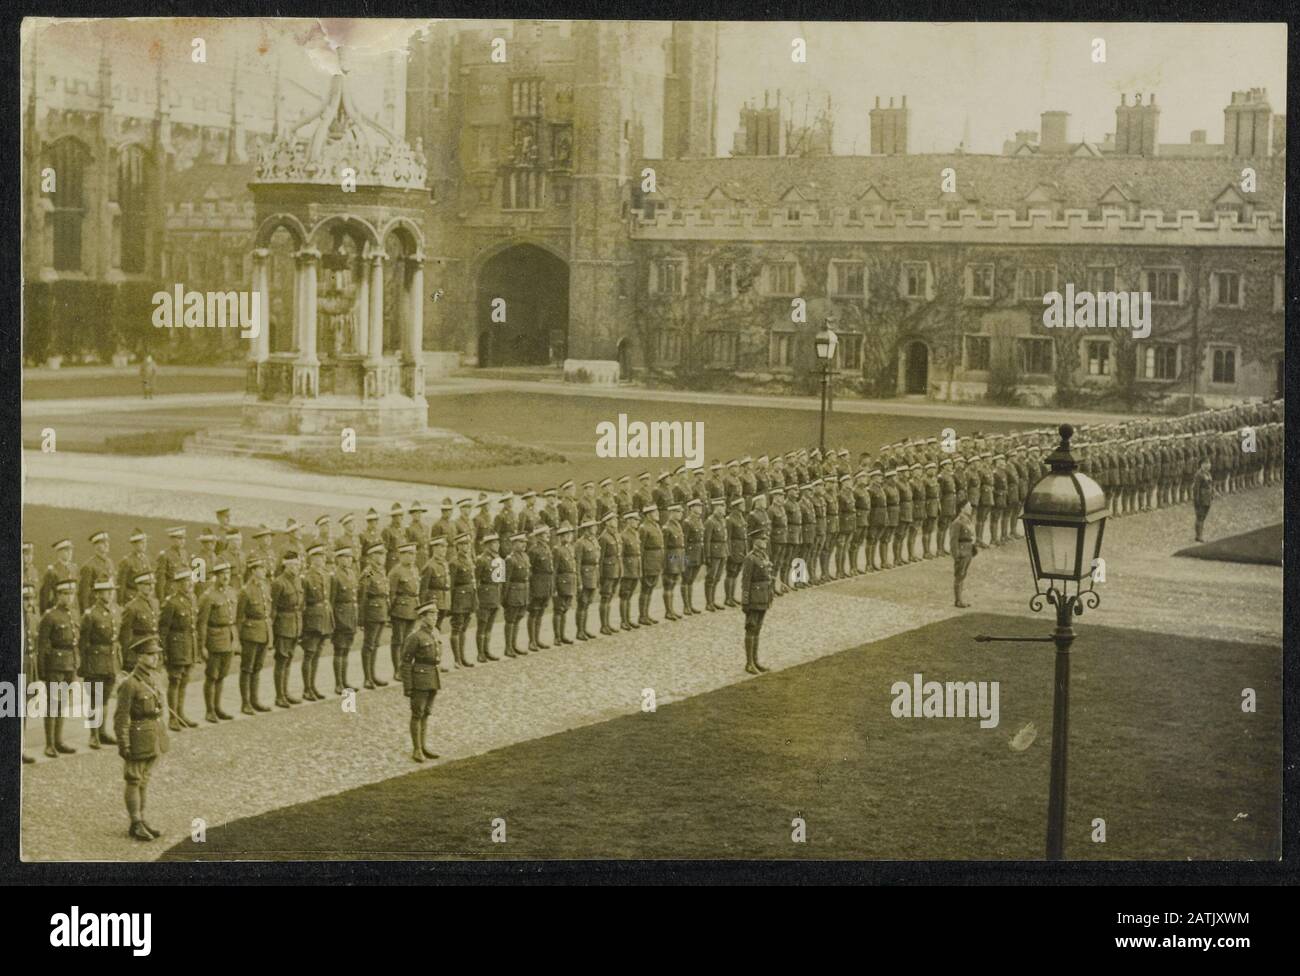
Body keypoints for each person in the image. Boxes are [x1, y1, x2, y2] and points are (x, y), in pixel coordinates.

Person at [115, 636, 169, 841]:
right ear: (139, 657)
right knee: (134, 779)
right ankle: (135, 822)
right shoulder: (130, 684)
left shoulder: (152, 679)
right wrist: (124, 744)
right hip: (137, 736)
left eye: (156, 654)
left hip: (152, 735)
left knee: (144, 780)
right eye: (150, 655)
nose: (155, 658)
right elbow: (121, 717)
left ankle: (142, 819)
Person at [78, 579, 120, 749]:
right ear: (97, 594)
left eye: (111, 590)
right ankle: (93, 735)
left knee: (105, 699)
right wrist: (85, 665)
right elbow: (83, 643)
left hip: (110, 661)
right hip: (94, 662)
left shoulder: (114, 611)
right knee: (95, 700)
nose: (109, 594)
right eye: (105, 591)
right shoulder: (90, 614)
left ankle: (102, 732)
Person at [400, 602, 443, 763]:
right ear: (423, 618)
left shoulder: (435, 633)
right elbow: (405, 662)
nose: (434, 618)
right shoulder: (415, 637)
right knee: (417, 713)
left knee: (427, 713)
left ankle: (423, 746)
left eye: (436, 615)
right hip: (420, 678)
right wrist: (408, 686)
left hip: (433, 676)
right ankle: (417, 749)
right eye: (431, 615)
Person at [196, 562, 238, 722]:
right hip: (214, 638)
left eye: (227, 573)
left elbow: (233, 619)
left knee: (222, 675)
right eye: (222, 574)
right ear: (216, 576)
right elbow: (203, 623)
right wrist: (203, 646)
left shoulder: (232, 592)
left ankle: (218, 707)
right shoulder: (208, 596)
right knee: (212, 676)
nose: (226, 577)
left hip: (228, 637)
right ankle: (209, 710)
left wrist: (235, 639)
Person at [158, 567, 199, 729]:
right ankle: (173, 718)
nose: (188, 585)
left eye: (190, 581)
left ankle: (181, 714)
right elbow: (163, 630)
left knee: (185, 680)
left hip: (189, 644)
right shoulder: (171, 603)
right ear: (177, 584)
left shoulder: (193, 598)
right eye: (184, 582)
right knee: (175, 681)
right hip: (176, 645)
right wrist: (164, 652)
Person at [236, 558, 272, 713]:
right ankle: (245, 703)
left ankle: (255, 700)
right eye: (260, 568)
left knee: (257, 667)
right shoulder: (245, 591)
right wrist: (238, 639)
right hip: (250, 633)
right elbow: (239, 617)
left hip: (263, 630)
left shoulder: (265, 586)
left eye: (264, 568)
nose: (264, 571)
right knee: (247, 668)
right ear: (253, 571)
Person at [271, 552, 304, 707]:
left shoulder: (297, 581)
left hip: (295, 624)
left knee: (289, 659)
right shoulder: (279, 583)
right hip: (283, 625)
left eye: (298, 565)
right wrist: (273, 632)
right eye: (294, 565)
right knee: (281, 660)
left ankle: (285, 692)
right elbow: (273, 609)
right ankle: (279, 696)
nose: (297, 568)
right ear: (286, 565)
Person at [740, 530, 774, 675]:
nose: (765, 541)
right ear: (755, 542)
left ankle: (755, 661)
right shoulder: (750, 558)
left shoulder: (763, 556)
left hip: (763, 596)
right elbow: (745, 581)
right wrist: (745, 601)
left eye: (765, 539)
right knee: (751, 627)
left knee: (758, 629)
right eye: (762, 539)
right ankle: (749, 663)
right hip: (754, 597)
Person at [358, 543, 390, 687]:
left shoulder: (381, 571)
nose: (382, 557)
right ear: (372, 556)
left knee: (376, 645)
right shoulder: (369, 572)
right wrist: (361, 618)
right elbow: (363, 596)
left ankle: (372, 675)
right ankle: (367, 678)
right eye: (379, 554)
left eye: (383, 554)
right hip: (371, 612)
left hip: (381, 611)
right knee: (369, 645)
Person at [331, 546, 359, 694]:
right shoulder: (335, 576)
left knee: (347, 650)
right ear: (338, 559)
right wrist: (335, 620)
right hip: (340, 616)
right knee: (339, 649)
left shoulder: (352, 574)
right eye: (345, 557)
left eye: (350, 557)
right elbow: (332, 600)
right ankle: (338, 683)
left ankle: (345, 680)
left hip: (351, 614)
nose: (348, 560)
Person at [449, 534, 479, 665]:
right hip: (459, 598)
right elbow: (451, 584)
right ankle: (457, 659)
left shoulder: (469, 560)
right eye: (462, 544)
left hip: (469, 596)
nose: (465, 547)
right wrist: (451, 603)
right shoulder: (454, 562)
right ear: (457, 546)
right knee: (457, 627)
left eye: (467, 544)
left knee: (464, 628)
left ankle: (462, 657)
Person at [474, 534, 503, 662]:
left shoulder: (499, 559)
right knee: (482, 625)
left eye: (498, 543)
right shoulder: (482, 560)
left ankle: (487, 650)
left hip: (495, 595)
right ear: (488, 545)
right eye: (494, 543)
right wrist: (477, 599)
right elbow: (476, 580)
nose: (497, 545)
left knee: (489, 626)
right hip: (484, 595)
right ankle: (480, 653)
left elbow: (500, 580)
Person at [950, 501, 978, 609]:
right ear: (962, 508)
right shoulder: (958, 522)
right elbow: (953, 541)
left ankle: (960, 599)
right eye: (968, 507)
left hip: (968, 550)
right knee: (959, 576)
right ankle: (958, 600)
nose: (970, 508)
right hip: (962, 551)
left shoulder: (967, 521)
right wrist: (956, 555)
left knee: (963, 575)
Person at [1193, 457, 1216, 542]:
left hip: (1207, 498)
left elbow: (1211, 485)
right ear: (1201, 465)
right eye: (1205, 463)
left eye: (1209, 463)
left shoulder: (1208, 473)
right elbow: (1196, 489)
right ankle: (1199, 536)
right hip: (1201, 498)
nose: (1208, 465)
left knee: (1203, 517)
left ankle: (1199, 535)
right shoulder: (1199, 474)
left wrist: (1212, 493)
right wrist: (1197, 500)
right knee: (1200, 517)